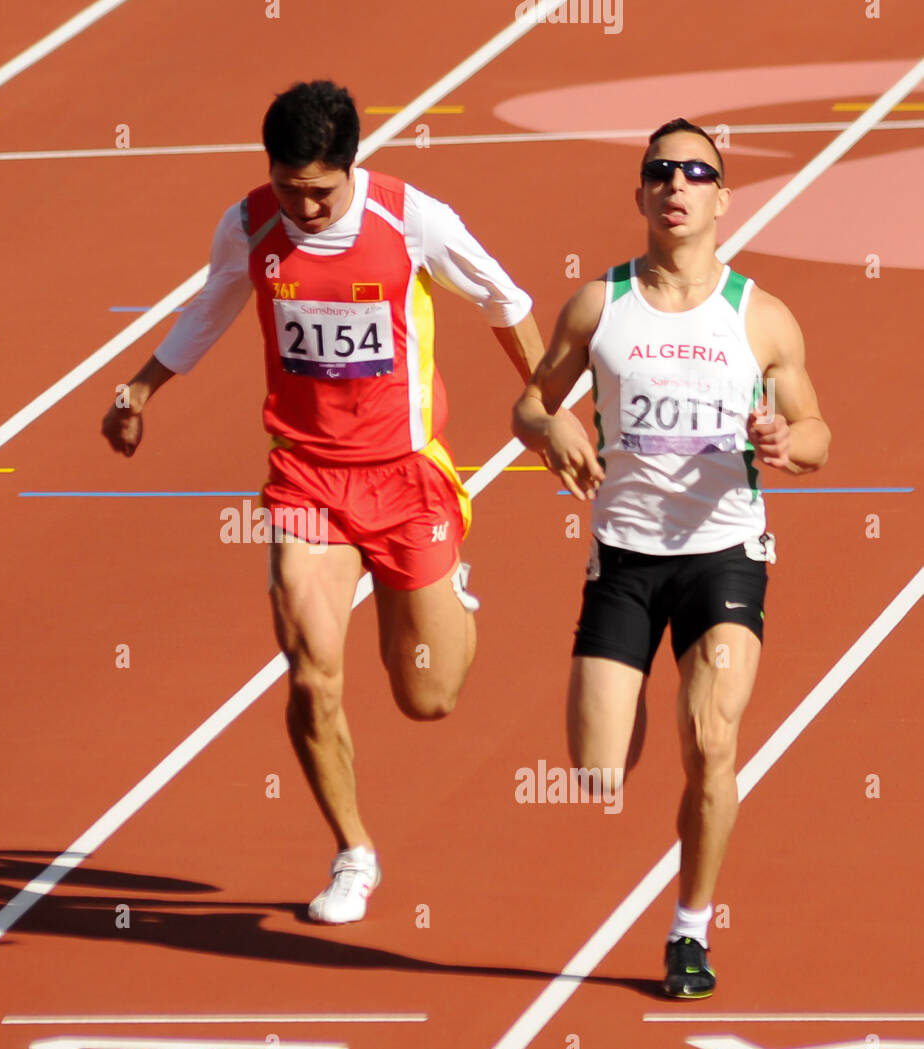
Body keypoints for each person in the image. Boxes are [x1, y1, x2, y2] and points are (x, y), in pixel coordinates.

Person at [101, 80, 543, 924]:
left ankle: (448, 591)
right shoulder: (250, 222)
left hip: (407, 478)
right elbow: (212, 305)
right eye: (287, 184)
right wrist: (141, 388)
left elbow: (506, 303)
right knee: (311, 669)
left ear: (353, 169)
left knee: (429, 696)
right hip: (306, 477)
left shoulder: (413, 220)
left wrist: (550, 414)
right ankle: (352, 851)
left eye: (320, 191)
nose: (302, 206)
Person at [512, 117, 830, 996]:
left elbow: (819, 433)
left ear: (723, 198)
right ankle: (635, 680)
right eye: (662, 171)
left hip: (724, 554)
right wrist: (555, 425)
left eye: (697, 172)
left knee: (713, 740)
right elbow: (529, 406)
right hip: (624, 558)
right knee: (595, 773)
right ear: (642, 193)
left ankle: (690, 931)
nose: (678, 185)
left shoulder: (759, 317)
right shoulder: (597, 304)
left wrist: (785, 439)